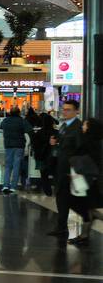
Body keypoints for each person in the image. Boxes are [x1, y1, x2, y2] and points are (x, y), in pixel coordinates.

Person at [64, 119, 102, 247]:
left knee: (81, 205)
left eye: (86, 124)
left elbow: (84, 160)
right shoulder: (93, 141)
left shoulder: (90, 142)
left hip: (88, 180)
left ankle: (85, 232)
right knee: (87, 207)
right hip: (89, 179)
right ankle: (84, 235)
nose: (83, 126)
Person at [50, 101, 84, 242]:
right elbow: (62, 144)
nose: (65, 112)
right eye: (64, 110)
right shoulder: (64, 126)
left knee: (79, 202)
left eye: (69, 110)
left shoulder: (79, 127)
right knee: (61, 198)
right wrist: (55, 143)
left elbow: (81, 149)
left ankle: (84, 232)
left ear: (77, 111)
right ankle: (61, 226)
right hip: (61, 169)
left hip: (72, 170)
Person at [0, 106, 31, 194]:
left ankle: (5, 185)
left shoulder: (5, 120)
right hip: (19, 146)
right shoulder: (22, 121)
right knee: (16, 166)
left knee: (8, 166)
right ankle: (13, 187)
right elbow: (29, 130)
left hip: (8, 145)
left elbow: (1, 127)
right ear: (19, 113)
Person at [31, 113, 57, 195]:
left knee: (44, 176)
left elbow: (35, 145)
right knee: (56, 175)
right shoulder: (56, 133)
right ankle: (57, 191)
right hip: (54, 158)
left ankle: (48, 192)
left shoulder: (38, 133)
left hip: (42, 158)